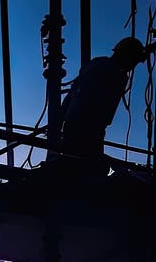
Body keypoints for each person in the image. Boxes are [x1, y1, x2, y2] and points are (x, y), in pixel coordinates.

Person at [59, 36, 147, 166]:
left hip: (75, 123)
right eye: (133, 61)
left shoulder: (96, 64)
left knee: (74, 164)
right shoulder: (117, 75)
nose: (132, 66)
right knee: (85, 168)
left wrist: (61, 118)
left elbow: (74, 92)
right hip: (89, 128)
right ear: (127, 56)